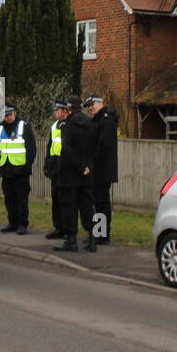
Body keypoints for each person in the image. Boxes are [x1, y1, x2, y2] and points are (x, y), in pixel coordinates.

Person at [53, 95, 97, 253]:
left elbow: (66, 150)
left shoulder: (68, 125)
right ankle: (92, 239)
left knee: (68, 207)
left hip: (69, 173)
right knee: (87, 206)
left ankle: (71, 241)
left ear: (69, 108)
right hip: (86, 172)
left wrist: (79, 167)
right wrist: (87, 167)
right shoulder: (90, 123)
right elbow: (94, 147)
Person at [0, 103, 35, 235]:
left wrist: (27, 166)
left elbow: (31, 149)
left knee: (21, 198)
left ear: (15, 113)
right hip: (6, 169)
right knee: (9, 198)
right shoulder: (1, 129)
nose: (8, 117)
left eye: (9, 114)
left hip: (20, 170)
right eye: (5, 115)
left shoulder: (24, 126)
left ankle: (22, 224)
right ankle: (13, 223)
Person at [84, 96, 120, 245]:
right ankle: (97, 233)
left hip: (102, 170)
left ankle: (103, 235)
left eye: (92, 104)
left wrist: (91, 161)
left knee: (102, 203)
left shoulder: (106, 120)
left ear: (101, 103)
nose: (90, 108)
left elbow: (103, 146)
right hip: (98, 169)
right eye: (89, 106)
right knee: (97, 203)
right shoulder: (98, 120)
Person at [42, 101, 66, 239]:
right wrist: (47, 164)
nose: (55, 112)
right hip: (55, 165)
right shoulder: (54, 126)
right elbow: (50, 146)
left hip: (65, 165)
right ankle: (58, 227)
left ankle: (66, 229)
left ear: (63, 111)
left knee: (65, 199)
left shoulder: (69, 125)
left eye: (57, 110)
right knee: (55, 198)